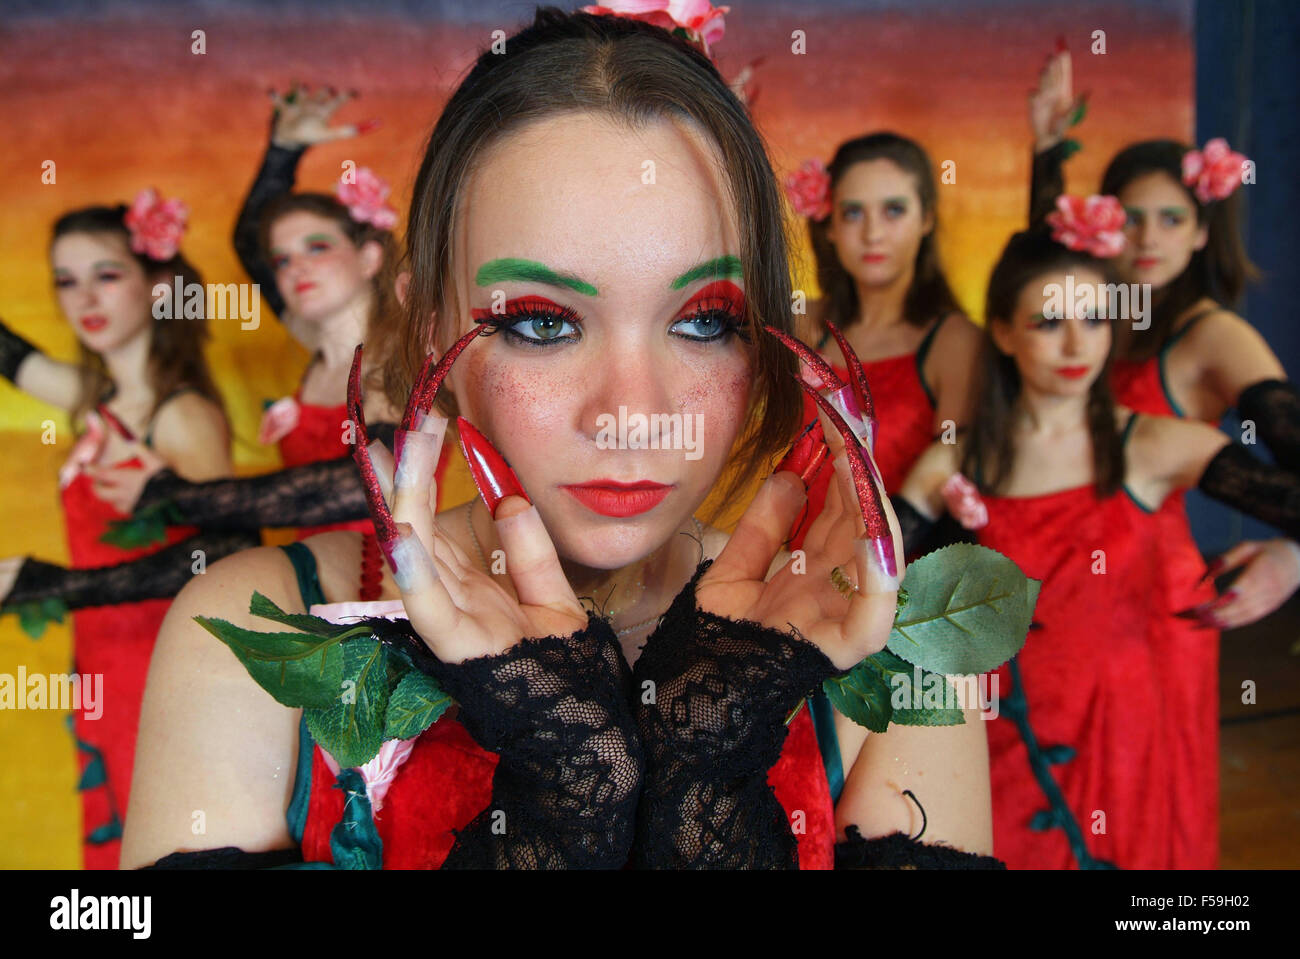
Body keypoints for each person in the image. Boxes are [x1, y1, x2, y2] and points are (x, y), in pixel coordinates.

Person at [121, 6, 1000, 871]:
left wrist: (709, 774)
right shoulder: (257, 628)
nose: (629, 410)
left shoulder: (883, 646)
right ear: (431, 331)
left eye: (702, 321)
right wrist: (564, 789)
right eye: (542, 322)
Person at [895, 214, 1300, 868]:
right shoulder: (959, 459)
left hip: (1122, 731)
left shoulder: (1153, 443)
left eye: (1094, 318)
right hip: (1002, 734)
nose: (1076, 342)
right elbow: (878, 573)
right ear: (1002, 333)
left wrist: (1292, 555)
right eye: (1049, 323)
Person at [1028, 43, 1300, 867]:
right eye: (1130, 216)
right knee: (1041, 805)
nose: (1147, 238)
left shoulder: (1214, 333)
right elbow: (1031, 282)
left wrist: (1294, 552)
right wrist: (1045, 153)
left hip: (1150, 605)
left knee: (1134, 814)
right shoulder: (1091, 317)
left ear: (1202, 228)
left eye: (1171, 218)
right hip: (1057, 591)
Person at [0, 194, 232, 868]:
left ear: (159, 287)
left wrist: (65, 584)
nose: (83, 298)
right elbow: (13, 357)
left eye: (106, 274)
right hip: (101, 666)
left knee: (162, 851)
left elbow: (223, 553)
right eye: (65, 280)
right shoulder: (95, 401)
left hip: (167, 665)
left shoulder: (180, 414)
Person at [782, 133, 982, 550]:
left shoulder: (953, 340)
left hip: (898, 590)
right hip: (787, 578)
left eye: (894, 210)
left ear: (926, 219)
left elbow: (949, 466)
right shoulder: (801, 322)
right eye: (853, 213)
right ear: (830, 225)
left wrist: (869, 576)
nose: (873, 233)